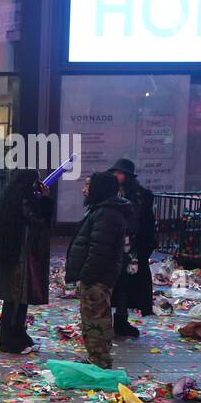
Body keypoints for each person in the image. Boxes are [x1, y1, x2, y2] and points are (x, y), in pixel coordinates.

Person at [0, 169, 53, 354]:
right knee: (17, 301)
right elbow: (39, 223)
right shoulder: (25, 203)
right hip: (21, 260)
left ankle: (16, 338)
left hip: (13, 257)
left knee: (14, 301)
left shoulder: (11, 200)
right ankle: (12, 340)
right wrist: (45, 200)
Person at [64, 171, 131, 369]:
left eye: (87, 186)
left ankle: (100, 360)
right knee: (92, 319)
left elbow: (99, 250)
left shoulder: (107, 213)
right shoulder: (100, 210)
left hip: (97, 278)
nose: (84, 190)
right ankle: (96, 357)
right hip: (96, 276)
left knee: (96, 320)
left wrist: (86, 276)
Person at [108, 157, 155, 338]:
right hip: (114, 246)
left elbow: (146, 222)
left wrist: (145, 247)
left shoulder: (140, 196)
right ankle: (113, 320)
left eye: (119, 173)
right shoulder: (109, 193)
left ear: (127, 176)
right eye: (114, 173)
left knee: (126, 285)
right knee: (114, 284)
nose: (116, 176)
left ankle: (121, 319)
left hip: (133, 248)